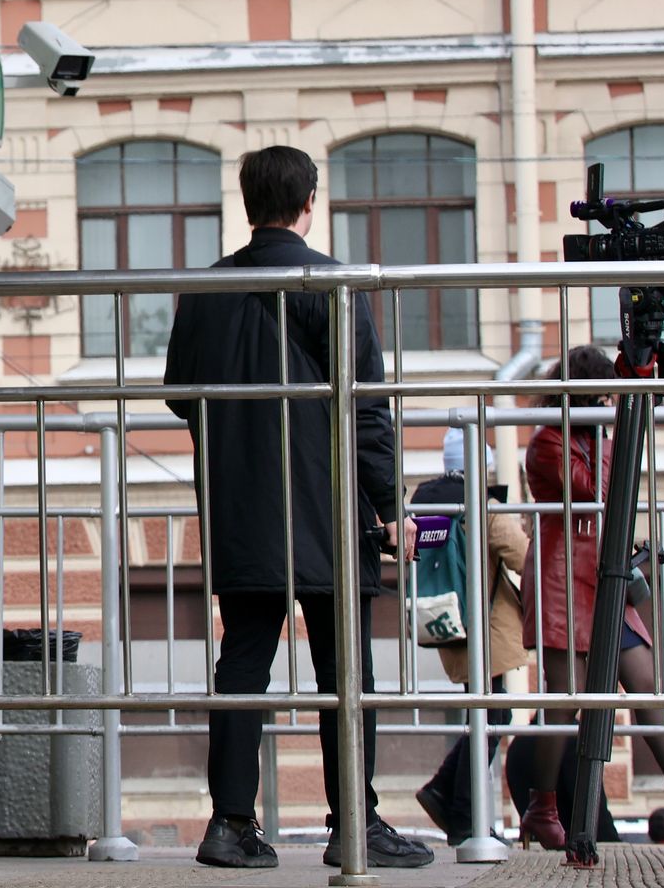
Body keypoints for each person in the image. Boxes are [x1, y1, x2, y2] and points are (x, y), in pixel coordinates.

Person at [165, 146, 433, 871]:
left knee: (243, 665)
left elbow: (178, 392)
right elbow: (366, 411)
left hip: (241, 500)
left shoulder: (203, 289)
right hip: (326, 506)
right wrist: (388, 505)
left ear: (247, 202)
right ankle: (355, 824)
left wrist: (235, 443)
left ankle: (228, 824)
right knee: (345, 672)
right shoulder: (333, 284)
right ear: (310, 201)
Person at [516, 345, 664, 849]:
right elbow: (594, 490)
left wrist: (610, 430)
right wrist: (607, 431)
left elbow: (616, 485)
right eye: (600, 393)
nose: (607, 401)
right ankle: (543, 805)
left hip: (604, 575)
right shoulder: (547, 442)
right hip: (562, 575)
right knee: (566, 696)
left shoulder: (602, 439)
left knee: (644, 684)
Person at [411, 430, 530, 844]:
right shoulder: (483, 506)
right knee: (493, 716)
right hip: (488, 629)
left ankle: (448, 794)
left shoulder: (433, 507)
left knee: (483, 716)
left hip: (449, 623)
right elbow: (521, 556)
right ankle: (459, 808)